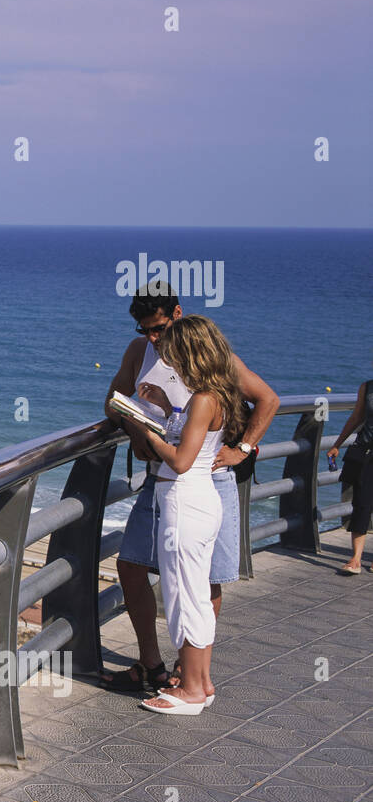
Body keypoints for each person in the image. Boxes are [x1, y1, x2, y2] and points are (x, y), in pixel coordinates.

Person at [101, 284, 278, 694]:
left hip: (205, 479)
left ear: (177, 313)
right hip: (162, 478)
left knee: (208, 579)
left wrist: (242, 449)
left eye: (159, 328)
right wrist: (134, 428)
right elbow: (113, 399)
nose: (153, 339)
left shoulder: (214, 358)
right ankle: (151, 664)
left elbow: (268, 399)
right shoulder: (138, 352)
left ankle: (189, 673)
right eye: (145, 330)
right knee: (130, 565)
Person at [119, 316, 244, 714]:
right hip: (201, 503)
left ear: (190, 351)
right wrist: (159, 404)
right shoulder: (215, 395)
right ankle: (202, 683)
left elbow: (181, 459)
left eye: (173, 350)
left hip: (185, 503)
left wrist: (147, 429)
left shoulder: (204, 400)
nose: (166, 357)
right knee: (196, 597)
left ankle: (189, 691)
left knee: (183, 598)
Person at [328, 375, 373, 574]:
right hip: (366, 452)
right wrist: (337, 444)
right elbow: (356, 417)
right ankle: (355, 559)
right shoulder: (367, 388)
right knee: (361, 504)